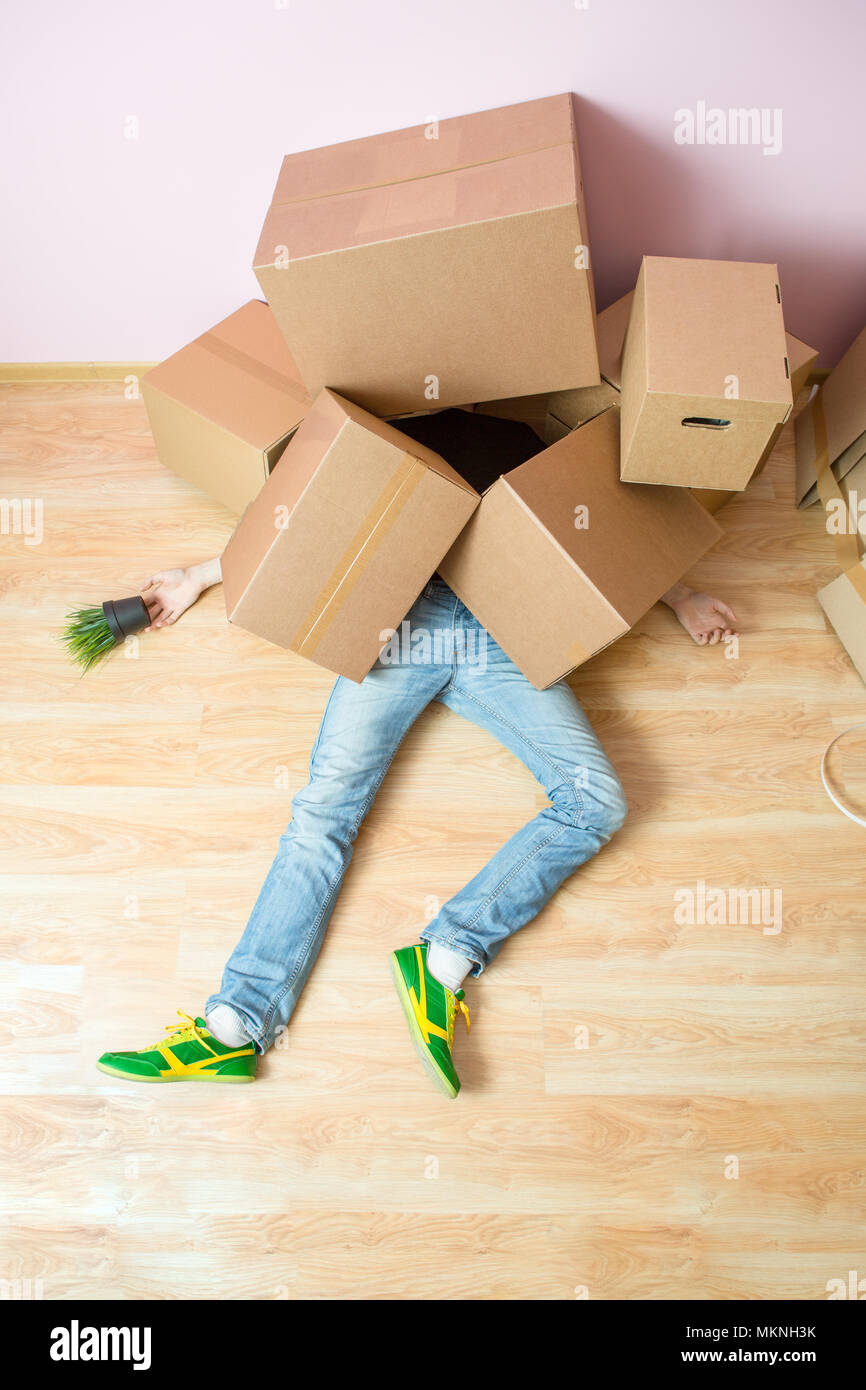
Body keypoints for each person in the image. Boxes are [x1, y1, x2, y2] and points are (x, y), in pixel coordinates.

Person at [97, 411, 737, 1097]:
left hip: (500, 631)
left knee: (598, 802)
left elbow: (601, 533)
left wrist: (684, 595)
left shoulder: (528, 440)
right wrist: (200, 574)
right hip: (400, 626)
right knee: (324, 812)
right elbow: (302, 523)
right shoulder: (373, 426)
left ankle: (444, 959)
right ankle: (234, 1027)